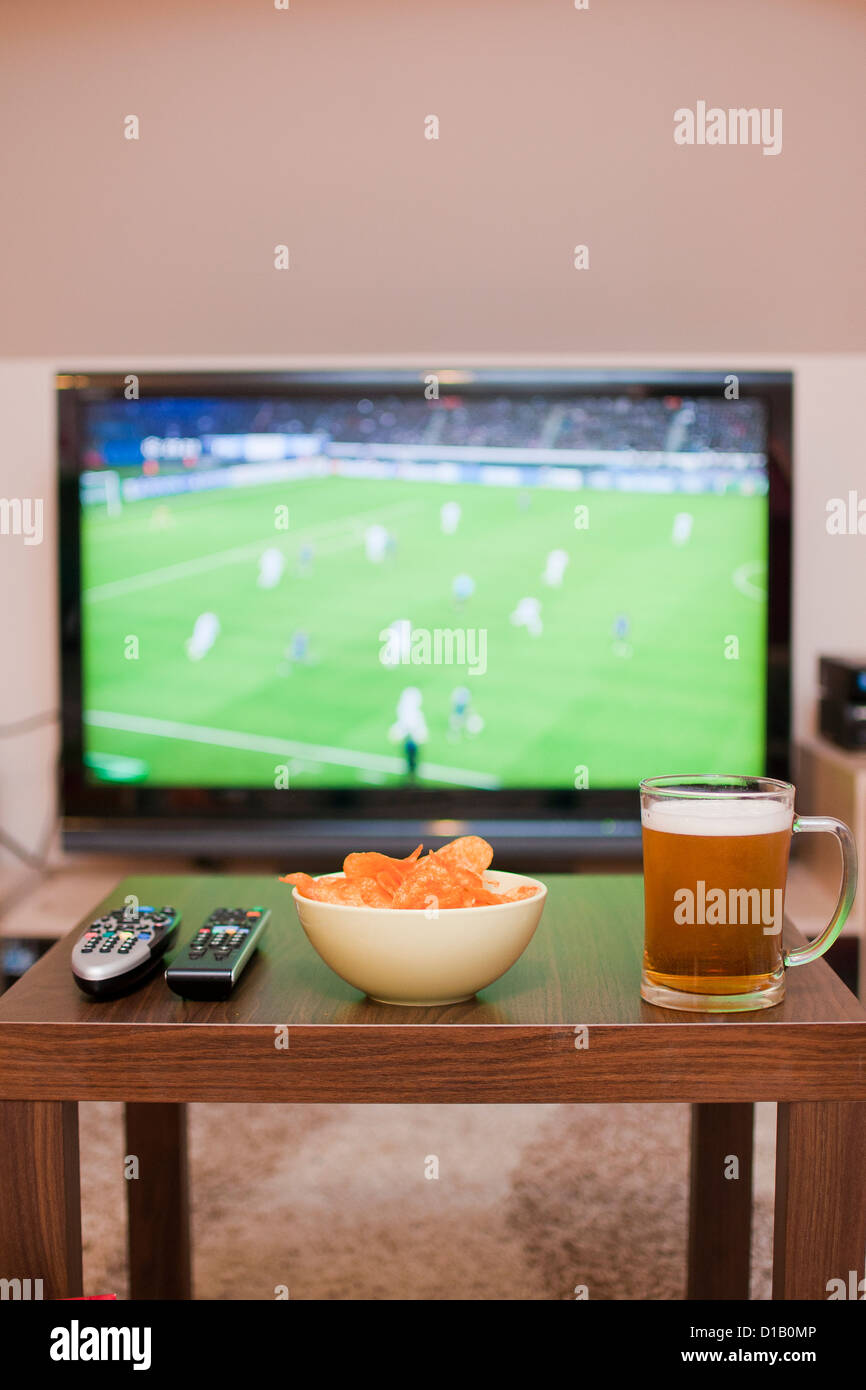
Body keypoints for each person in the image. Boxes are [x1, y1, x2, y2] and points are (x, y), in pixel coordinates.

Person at [388, 686, 428, 780]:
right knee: (411, 761)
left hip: (410, 742)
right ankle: (411, 776)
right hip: (411, 743)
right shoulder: (410, 713)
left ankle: (411, 775)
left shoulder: (407, 711)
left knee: (411, 761)